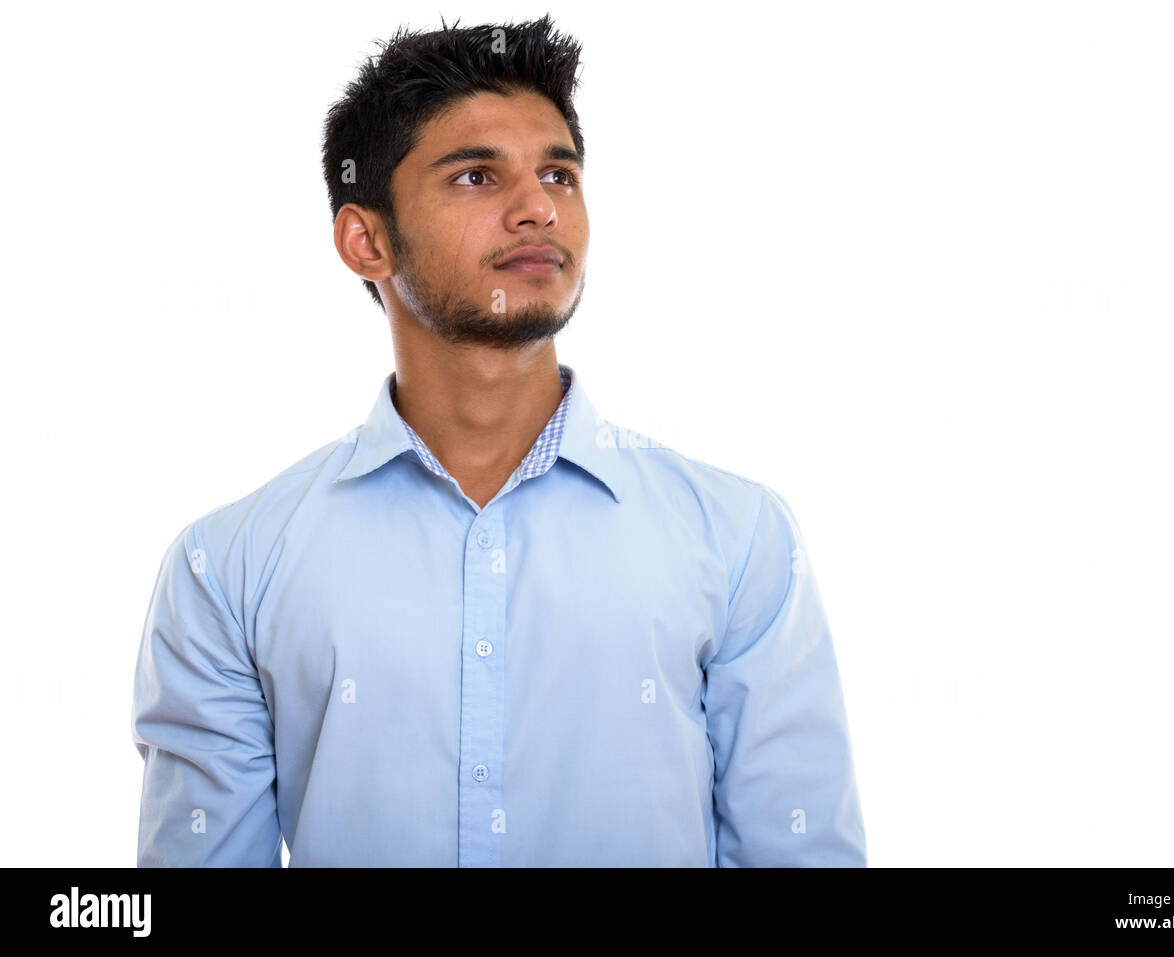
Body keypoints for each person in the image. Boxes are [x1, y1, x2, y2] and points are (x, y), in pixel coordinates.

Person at [131, 14, 867, 867]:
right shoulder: (226, 570)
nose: (538, 208)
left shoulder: (740, 539)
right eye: (478, 175)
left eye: (559, 173)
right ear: (365, 239)